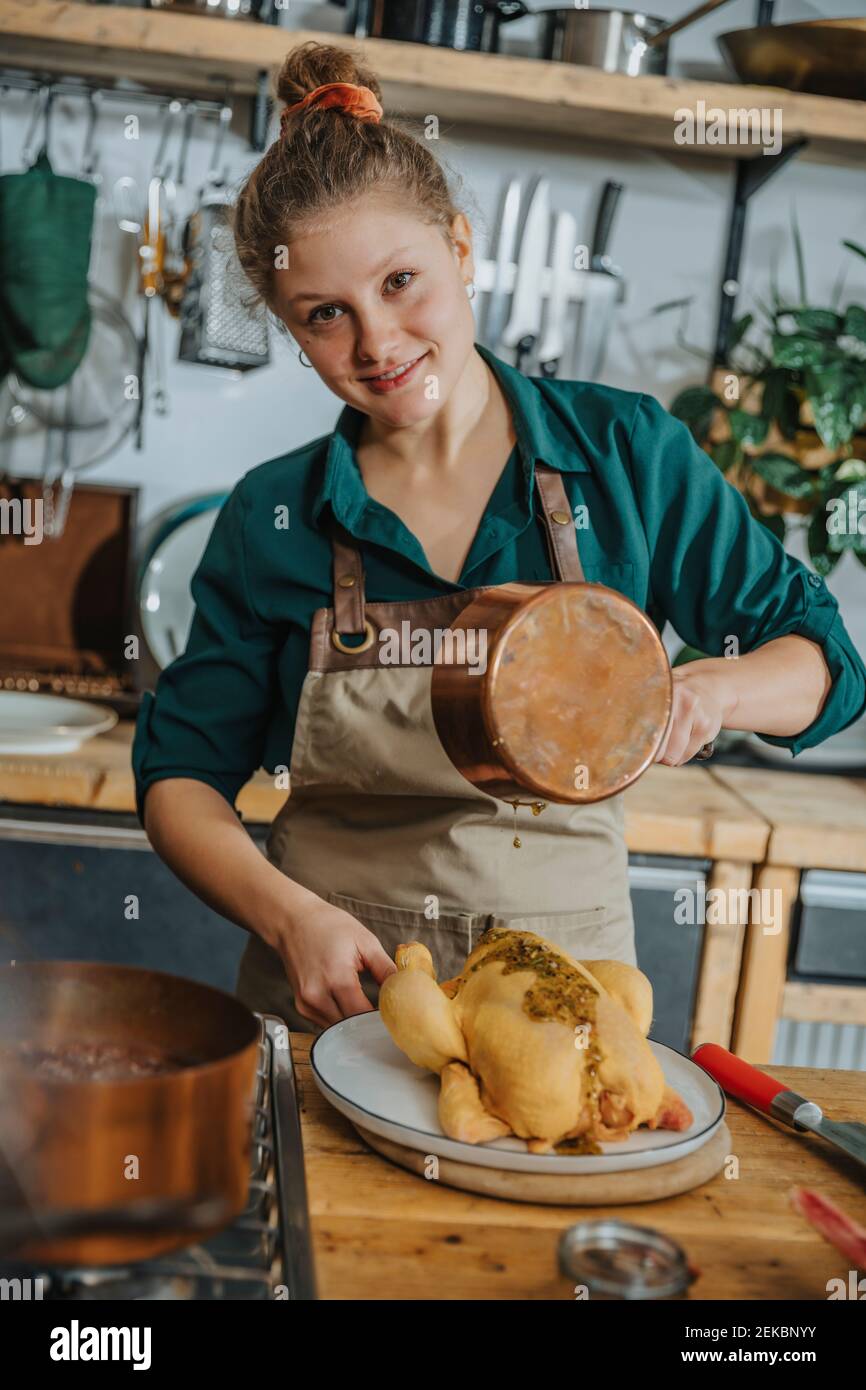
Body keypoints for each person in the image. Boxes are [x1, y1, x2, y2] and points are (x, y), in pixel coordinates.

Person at [133, 41, 866, 1034]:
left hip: (566, 1017)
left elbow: (822, 661)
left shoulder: (623, 455)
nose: (378, 343)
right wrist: (288, 916)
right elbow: (179, 773)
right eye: (325, 316)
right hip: (337, 1012)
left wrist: (706, 690)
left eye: (402, 281)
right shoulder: (275, 515)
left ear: (461, 249)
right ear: (290, 331)